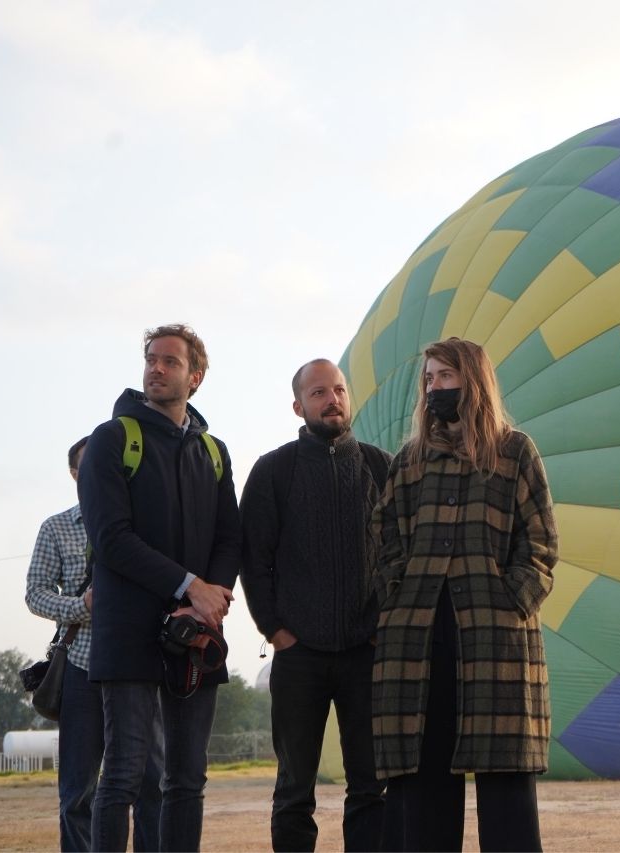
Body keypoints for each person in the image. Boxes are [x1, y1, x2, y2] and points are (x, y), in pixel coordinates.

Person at [371, 337, 557, 852]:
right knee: (422, 781)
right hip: (417, 640)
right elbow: (384, 537)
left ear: (472, 381)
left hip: (493, 640)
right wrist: (396, 591)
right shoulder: (409, 462)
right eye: (428, 379)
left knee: (506, 787)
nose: (434, 387)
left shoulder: (514, 451)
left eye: (445, 377)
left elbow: (540, 543)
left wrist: (510, 599)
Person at [79, 323, 241, 852]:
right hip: (127, 634)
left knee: (186, 780)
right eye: (151, 358)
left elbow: (229, 536)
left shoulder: (213, 452)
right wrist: (191, 585)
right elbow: (111, 540)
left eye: (170, 361)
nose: (156, 367)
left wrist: (211, 595)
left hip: (194, 634)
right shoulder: (111, 440)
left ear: (195, 377)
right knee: (124, 775)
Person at [240, 358, 393, 851]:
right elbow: (253, 559)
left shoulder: (379, 466)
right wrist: (274, 630)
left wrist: (381, 625)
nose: (333, 400)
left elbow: (401, 553)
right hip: (298, 654)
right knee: (293, 791)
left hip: (365, 654)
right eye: (319, 392)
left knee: (371, 788)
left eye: (340, 390)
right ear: (298, 405)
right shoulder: (273, 470)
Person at [25, 436, 163, 852]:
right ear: (75, 475)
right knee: (78, 791)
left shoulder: (145, 527)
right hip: (83, 671)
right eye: (93, 464)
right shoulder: (57, 527)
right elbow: (35, 594)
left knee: (153, 785)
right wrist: (82, 605)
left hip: (140, 667)